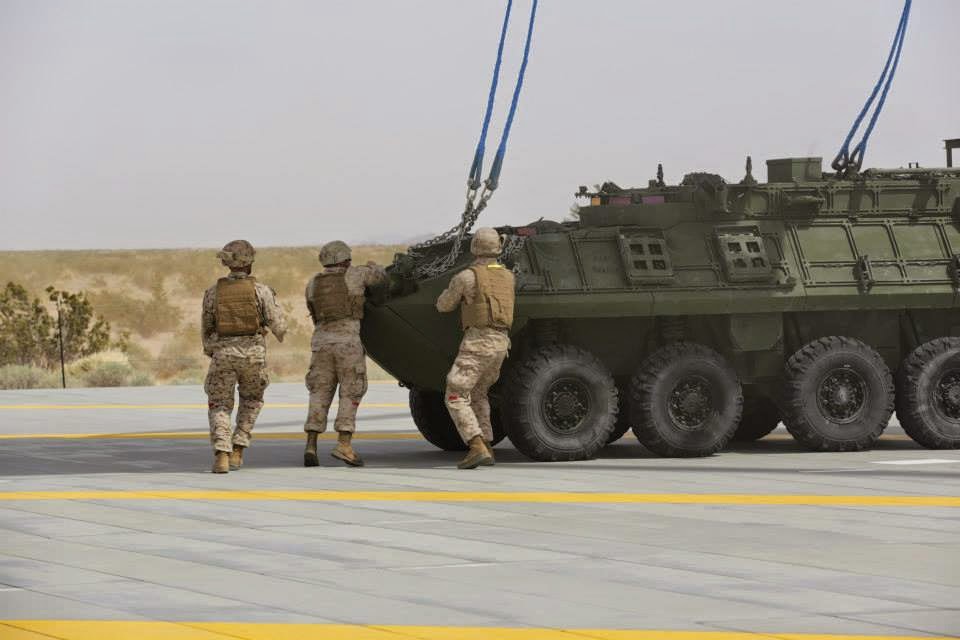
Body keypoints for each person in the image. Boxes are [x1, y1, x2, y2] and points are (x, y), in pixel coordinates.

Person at [201, 240, 287, 474]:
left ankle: (222, 453)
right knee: (252, 399)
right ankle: (238, 447)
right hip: (253, 355)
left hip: (223, 353)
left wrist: (214, 350)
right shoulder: (262, 291)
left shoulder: (212, 292)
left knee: (219, 403)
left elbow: (207, 330)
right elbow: (279, 327)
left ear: (227, 262)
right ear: (249, 262)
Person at [435, 227, 515, 469]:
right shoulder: (508, 276)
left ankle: (476, 444)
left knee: (455, 394)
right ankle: (488, 445)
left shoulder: (466, 277)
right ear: (497, 249)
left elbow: (444, 305)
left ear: (474, 248)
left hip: (478, 344)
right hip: (501, 344)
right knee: (479, 393)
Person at [303, 240, 387, 467]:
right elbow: (380, 279)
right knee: (351, 391)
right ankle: (344, 445)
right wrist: (373, 265)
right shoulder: (356, 275)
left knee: (319, 392)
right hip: (348, 342)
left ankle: (311, 444)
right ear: (346, 260)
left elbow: (313, 312)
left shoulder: (312, 284)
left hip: (320, 343)